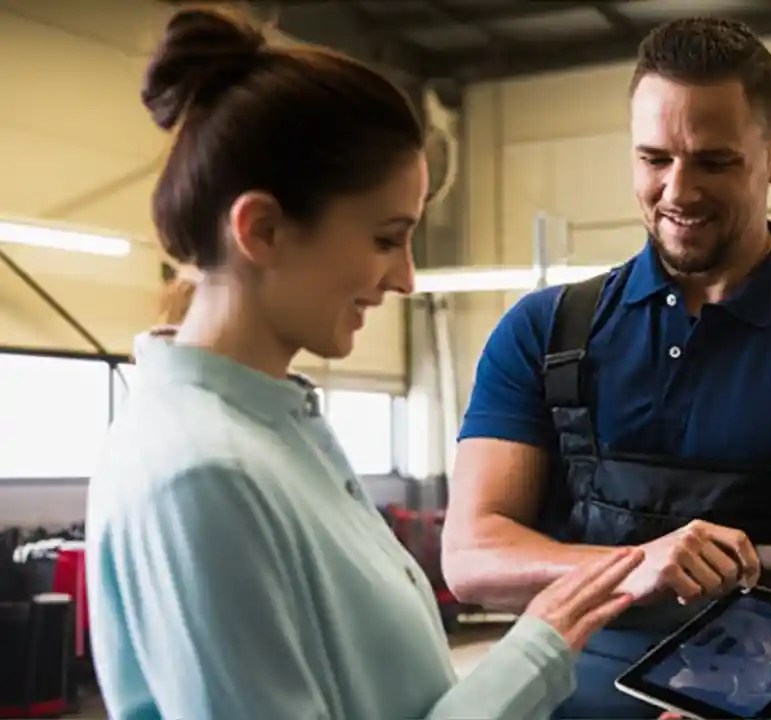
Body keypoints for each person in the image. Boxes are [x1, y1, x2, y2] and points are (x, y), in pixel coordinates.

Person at [85, 9, 643, 720]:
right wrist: (533, 656)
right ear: (262, 229)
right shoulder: (202, 475)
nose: (406, 278)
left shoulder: (273, 431)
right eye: (387, 238)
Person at [442, 15, 771, 719]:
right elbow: (473, 557)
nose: (679, 191)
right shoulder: (545, 334)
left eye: (714, 161)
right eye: (654, 158)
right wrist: (638, 567)